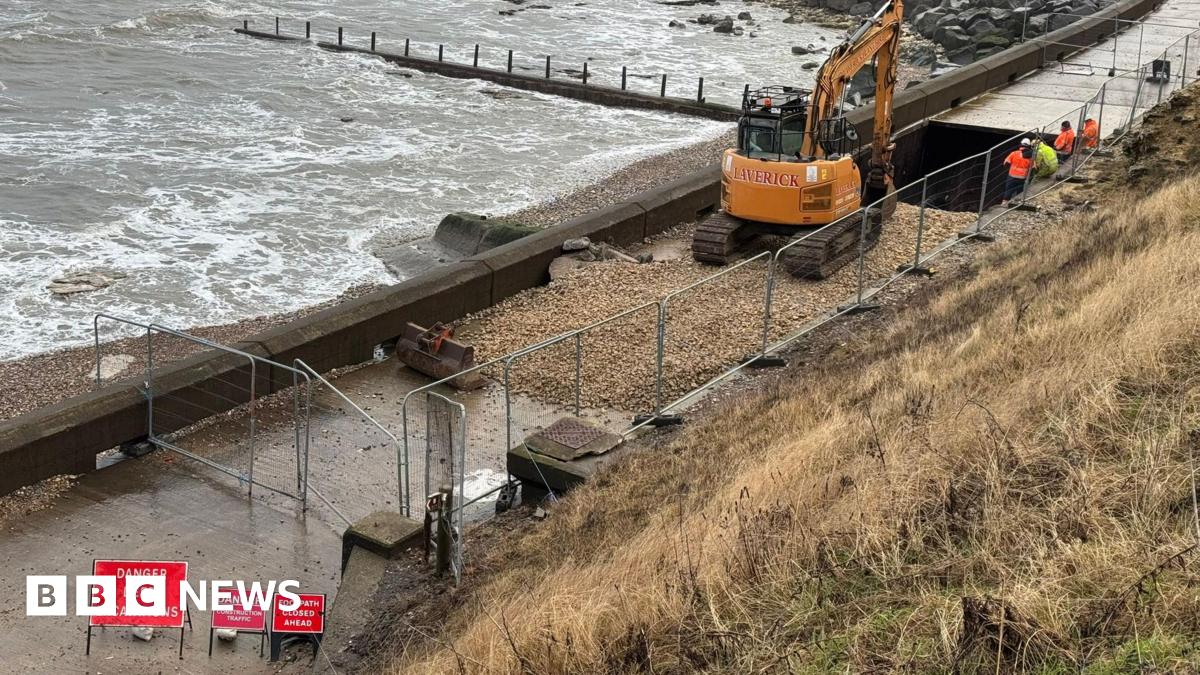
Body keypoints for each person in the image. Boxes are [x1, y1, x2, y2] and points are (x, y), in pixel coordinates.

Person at [1002, 138, 1034, 207]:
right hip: (1022, 177)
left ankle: (1004, 204)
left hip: (1012, 176)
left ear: (1020, 145)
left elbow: (1006, 163)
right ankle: (1016, 204)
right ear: (1029, 146)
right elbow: (1034, 168)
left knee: (1009, 190)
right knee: (1020, 191)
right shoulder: (1031, 156)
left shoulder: (1014, 153)